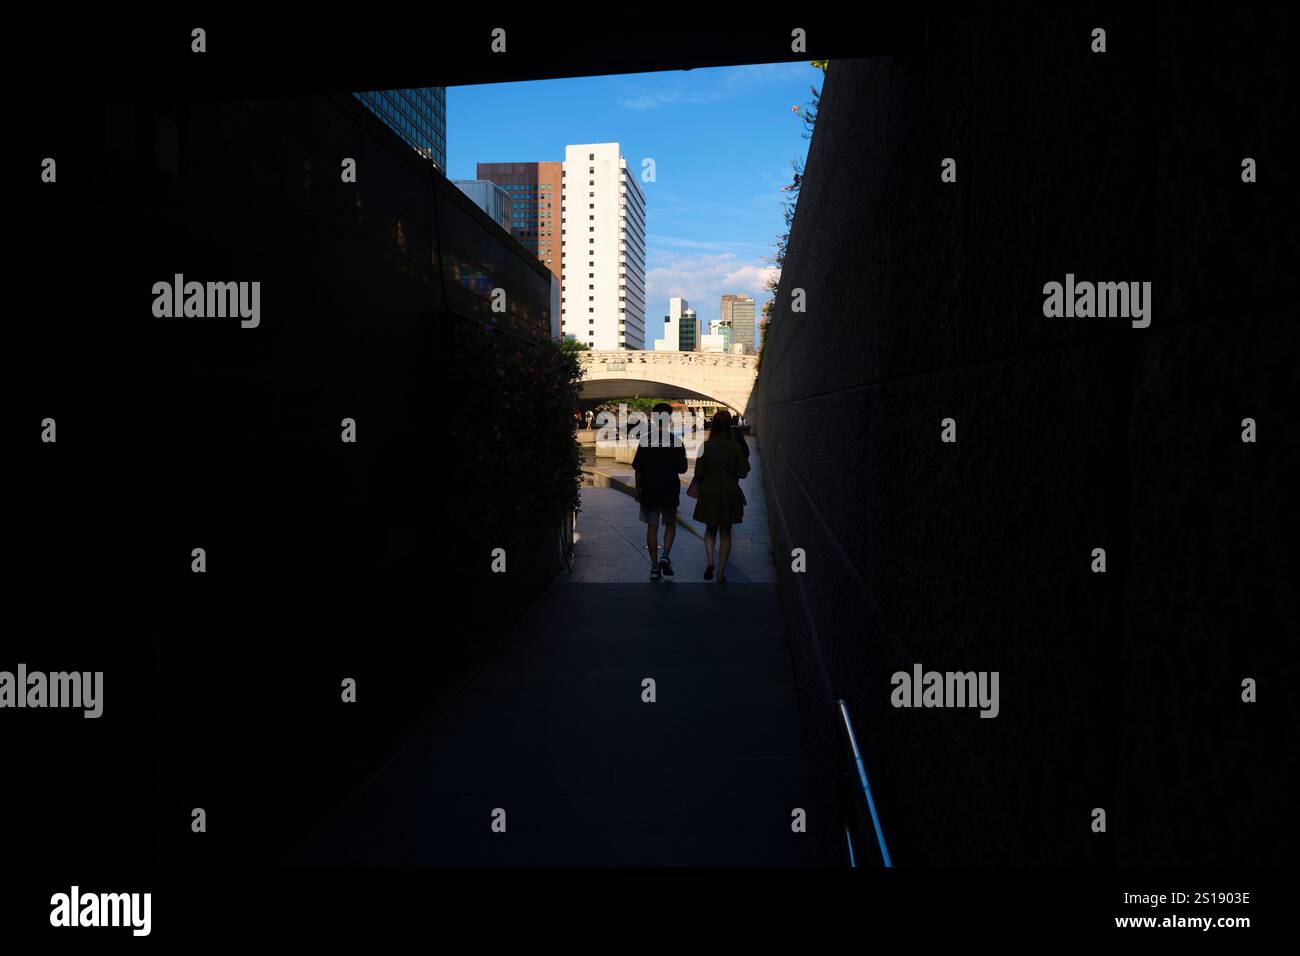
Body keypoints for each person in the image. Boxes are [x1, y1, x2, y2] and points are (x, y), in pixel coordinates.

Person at [690, 409, 749, 583]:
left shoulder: (705, 446)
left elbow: (698, 472)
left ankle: (709, 560)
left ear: (714, 426)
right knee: (726, 532)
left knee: (710, 530)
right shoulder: (735, 447)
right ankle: (721, 572)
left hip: (709, 491)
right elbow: (744, 472)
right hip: (730, 491)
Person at [632, 403, 688, 581]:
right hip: (670, 488)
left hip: (649, 488)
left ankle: (654, 567)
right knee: (670, 523)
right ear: (670, 419)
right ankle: (665, 555)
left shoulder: (645, 441)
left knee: (652, 526)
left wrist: (637, 488)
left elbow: (638, 469)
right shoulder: (676, 442)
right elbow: (682, 469)